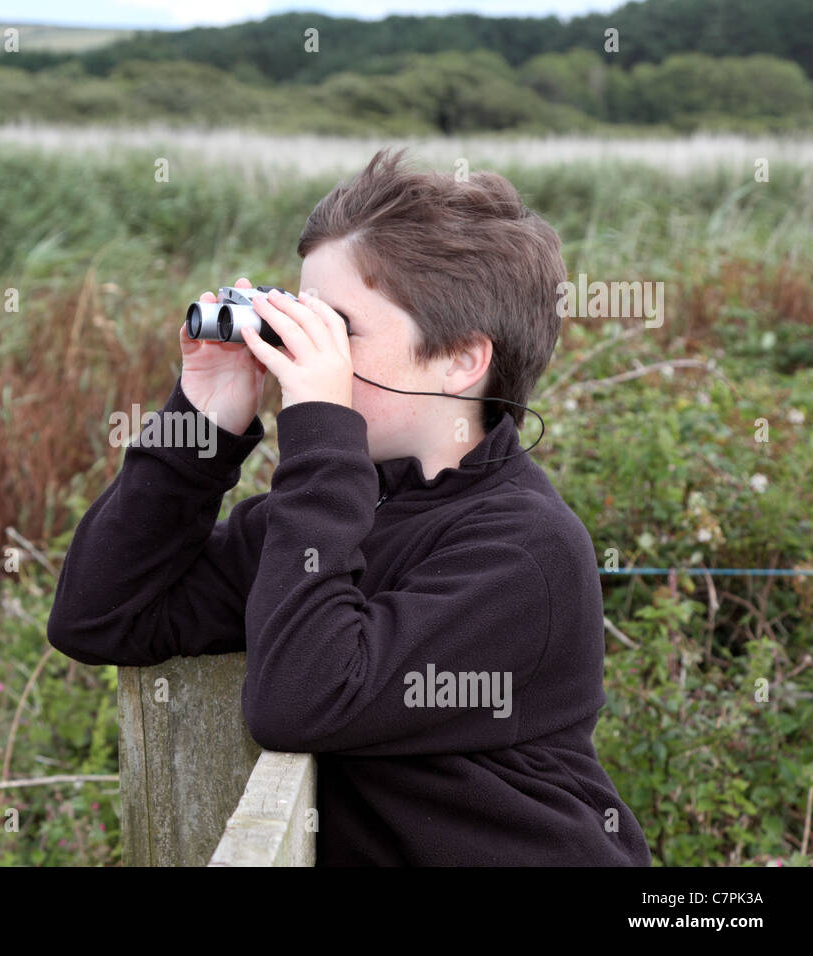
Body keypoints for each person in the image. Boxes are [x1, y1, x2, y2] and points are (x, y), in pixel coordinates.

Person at [46, 147, 652, 866]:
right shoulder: (343, 510)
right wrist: (203, 421)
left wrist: (321, 439)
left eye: (337, 330)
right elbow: (101, 616)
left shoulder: (525, 550)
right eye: (302, 322)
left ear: (462, 360)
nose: (300, 354)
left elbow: (303, 699)